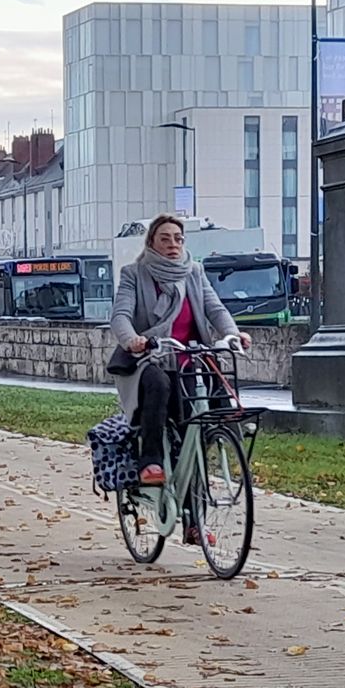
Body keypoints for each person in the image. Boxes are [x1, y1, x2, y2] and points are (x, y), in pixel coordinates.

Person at [111, 214, 243, 543]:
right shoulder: (134, 274)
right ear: (152, 243)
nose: (173, 245)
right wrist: (132, 340)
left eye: (178, 239)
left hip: (188, 360)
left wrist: (232, 334)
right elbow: (121, 315)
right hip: (149, 358)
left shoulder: (194, 273)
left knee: (194, 434)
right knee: (157, 384)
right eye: (165, 239)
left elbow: (216, 309)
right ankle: (151, 461)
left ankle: (193, 522)